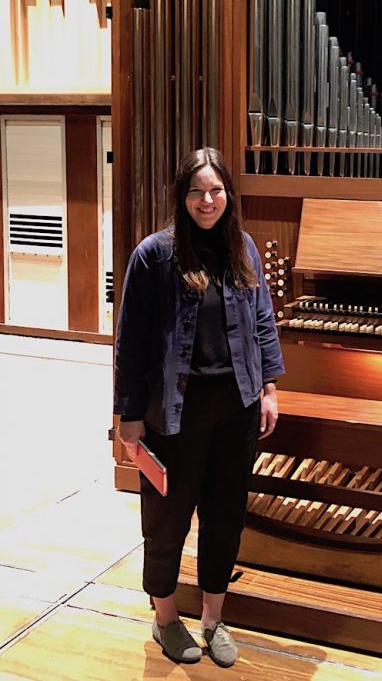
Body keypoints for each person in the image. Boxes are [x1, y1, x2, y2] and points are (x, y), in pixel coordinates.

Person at [114, 147, 284, 667]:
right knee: (166, 520)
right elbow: (132, 341)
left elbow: (262, 320)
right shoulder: (154, 255)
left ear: (227, 194)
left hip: (236, 410)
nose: (207, 200)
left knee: (225, 517)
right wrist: (129, 415)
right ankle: (166, 617)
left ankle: (213, 617)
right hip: (174, 413)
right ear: (181, 196)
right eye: (196, 191)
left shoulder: (244, 248)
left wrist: (270, 386)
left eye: (215, 191)